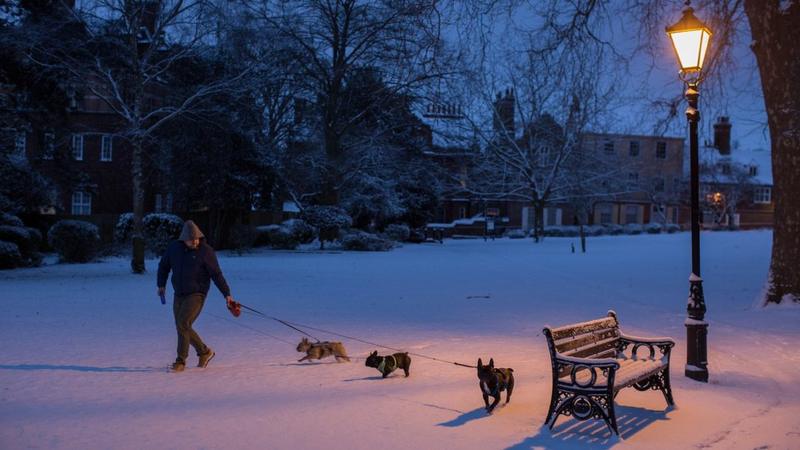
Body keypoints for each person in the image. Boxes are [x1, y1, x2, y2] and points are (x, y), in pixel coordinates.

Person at [157, 220, 236, 372]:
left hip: (197, 293)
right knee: (182, 326)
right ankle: (204, 352)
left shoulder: (206, 251)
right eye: (191, 239)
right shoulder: (174, 249)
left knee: (183, 323)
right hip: (179, 293)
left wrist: (227, 294)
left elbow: (216, 274)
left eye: (197, 238)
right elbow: (163, 266)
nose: (195, 241)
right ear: (183, 239)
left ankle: (180, 361)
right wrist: (161, 284)